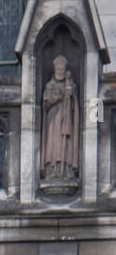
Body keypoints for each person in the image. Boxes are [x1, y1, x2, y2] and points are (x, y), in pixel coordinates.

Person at [41, 54, 78, 182]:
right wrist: (57, 97)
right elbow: (45, 104)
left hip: (67, 119)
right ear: (55, 69)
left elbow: (76, 105)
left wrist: (71, 95)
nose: (61, 71)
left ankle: (67, 169)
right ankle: (52, 170)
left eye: (62, 69)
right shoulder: (49, 85)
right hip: (53, 120)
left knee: (67, 142)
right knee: (53, 144)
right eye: (58, 69)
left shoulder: (70, 85)